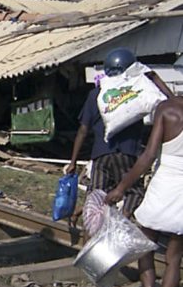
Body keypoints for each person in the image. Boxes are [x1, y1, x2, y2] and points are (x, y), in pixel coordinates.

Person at [105, 96, 183, 287]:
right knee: (174, 259)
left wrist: (121, 188)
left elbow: (148, 156)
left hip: (165, 184)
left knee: (145, 250)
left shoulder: (168, 108)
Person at [66, 48, 173, 218]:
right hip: (127, 154)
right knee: (133, 192)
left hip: (100, 156)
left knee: (94, 200)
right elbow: (171, 102)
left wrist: (73, 162)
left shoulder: (96, 94)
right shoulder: (136, 94)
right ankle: (123, 222)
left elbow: (83, 130)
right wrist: (152, 76)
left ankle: (90, 237)